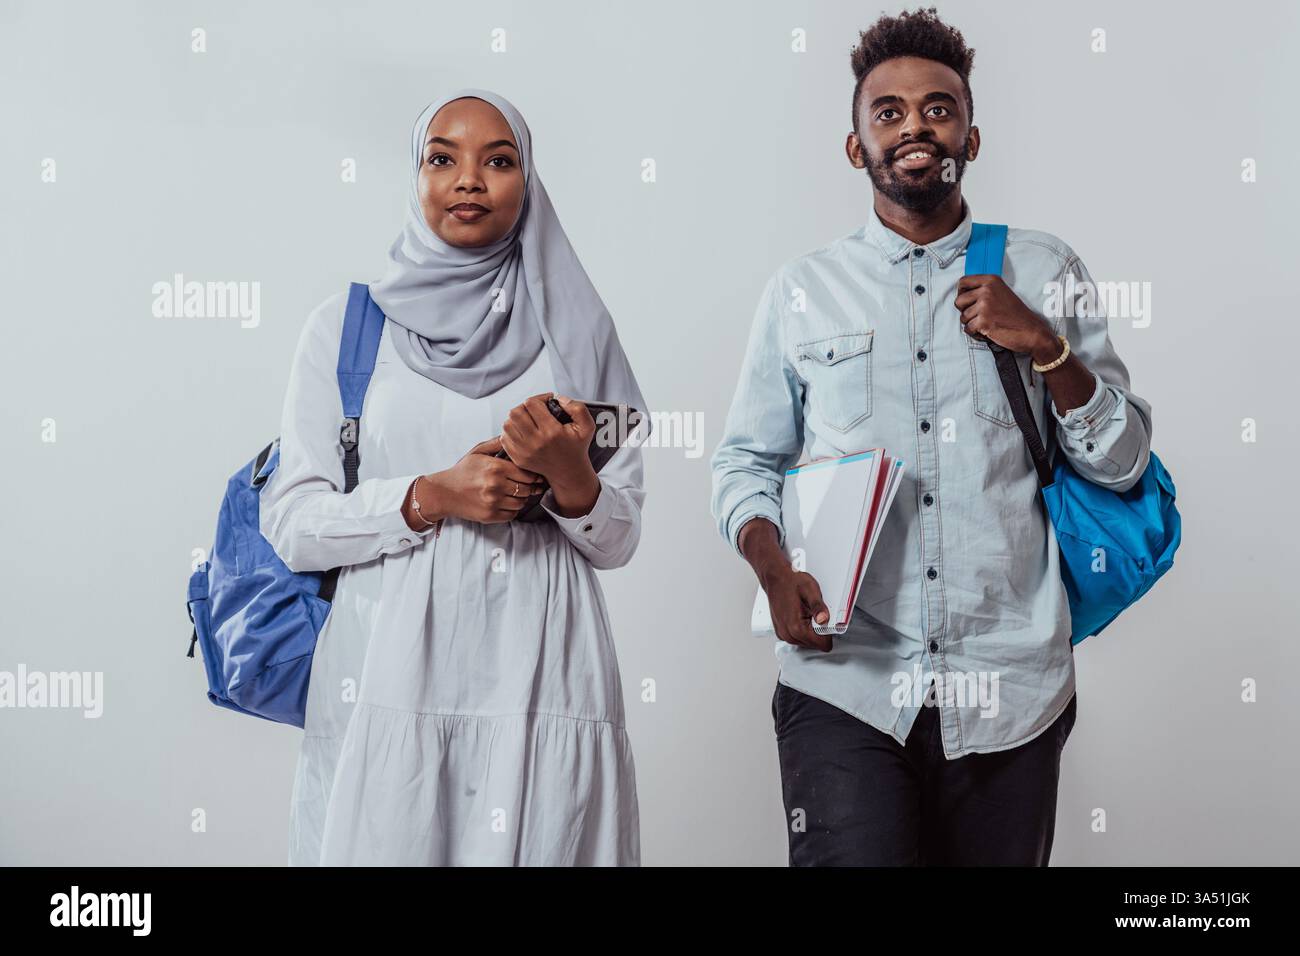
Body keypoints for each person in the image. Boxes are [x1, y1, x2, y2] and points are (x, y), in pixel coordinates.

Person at [709, 8, 1152, 866]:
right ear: (856, 147)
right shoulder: (803, 292)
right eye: (889, 112)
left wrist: (1047, 346)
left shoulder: (1043, 270)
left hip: (1011, 685)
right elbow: (743, 460)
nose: (915, 125)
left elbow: (1126, 460)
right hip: (847, 684)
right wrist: (772, 571)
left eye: (939, 108)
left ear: (971, 137)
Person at [259, 88, 648, 866]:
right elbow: (293, 524)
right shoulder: (347, 326)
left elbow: (621, 537)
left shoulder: (576, 328)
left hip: (541, 666)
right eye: (443, 158)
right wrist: (428, 497)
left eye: (498, 161)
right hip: (386, 666)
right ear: (417, 175)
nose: (468, 179)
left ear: (527, 182)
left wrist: (572, 478)